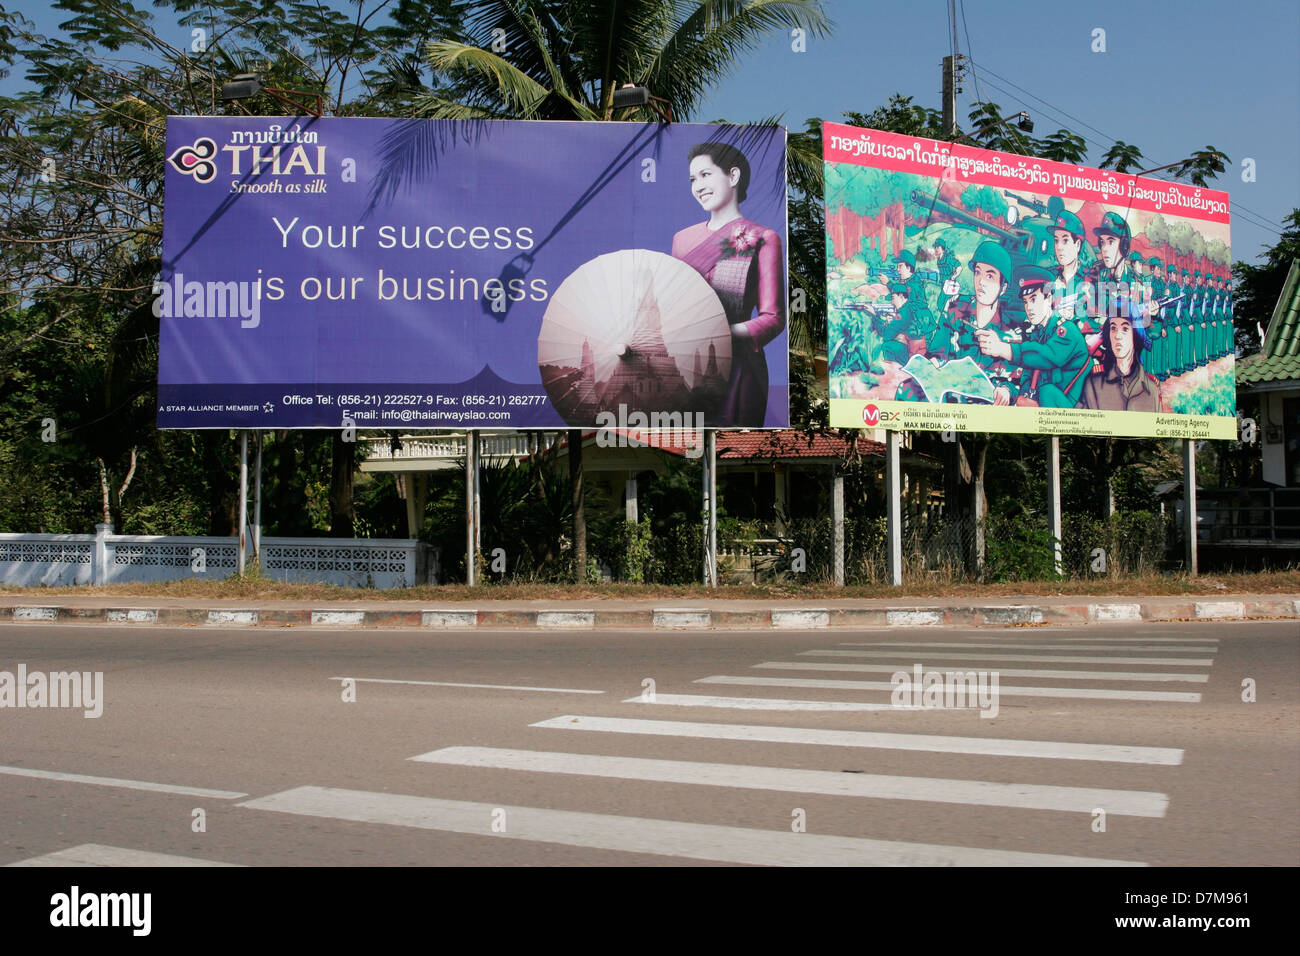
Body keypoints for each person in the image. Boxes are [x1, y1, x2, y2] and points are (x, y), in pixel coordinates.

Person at [671, 141, 784, 426]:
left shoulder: (763, 238)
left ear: (733, 176)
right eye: (693, 179)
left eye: (706, 175)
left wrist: (720, 333)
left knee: (736, 450)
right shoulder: (681, 240)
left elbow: (773, 318)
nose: (698, 186)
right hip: (690, 369)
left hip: (740, 370)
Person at [978, 264, 1090, 407]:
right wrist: (1014, 393)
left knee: (1046, 391)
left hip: (1072, 412)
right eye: (1025, 302)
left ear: (1049, 298)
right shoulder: (1037, 336)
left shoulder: (1067, 331)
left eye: (1033, 299)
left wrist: (1003, 349)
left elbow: (1046, 357)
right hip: (1047, 409)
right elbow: (1028, 376)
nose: (1029, 308)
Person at [1078, 307, 1162, 412]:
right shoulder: (1093, 383)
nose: (1118, 336)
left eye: (1125, 329)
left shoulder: (1152, 388)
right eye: (1113, 329)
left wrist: (1152, 315)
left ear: (1135, 335)